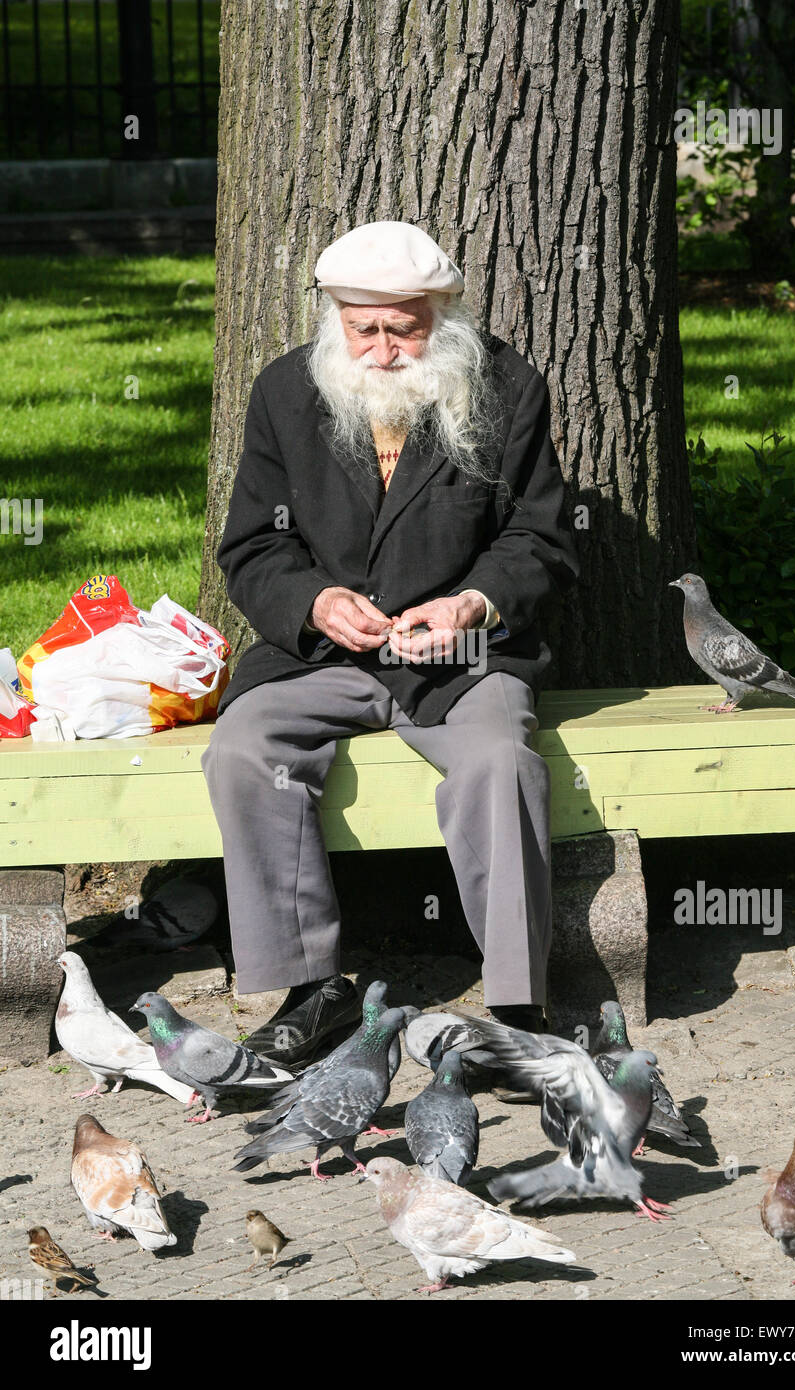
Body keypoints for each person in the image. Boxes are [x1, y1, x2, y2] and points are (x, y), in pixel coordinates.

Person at [202, 220, 579, 1064]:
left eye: (402, 327)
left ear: (441, 315)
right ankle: (311, 989)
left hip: (460, 659)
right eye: (361, 327)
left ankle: (518, 1007)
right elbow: (254, 545)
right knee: (244, 747)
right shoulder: (284, 392)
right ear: (334, 317)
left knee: (499, 762)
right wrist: (315, 600)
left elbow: (541, 540)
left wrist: (470, 605)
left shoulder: (507, 387)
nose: (381, 348)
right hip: (324, 654)